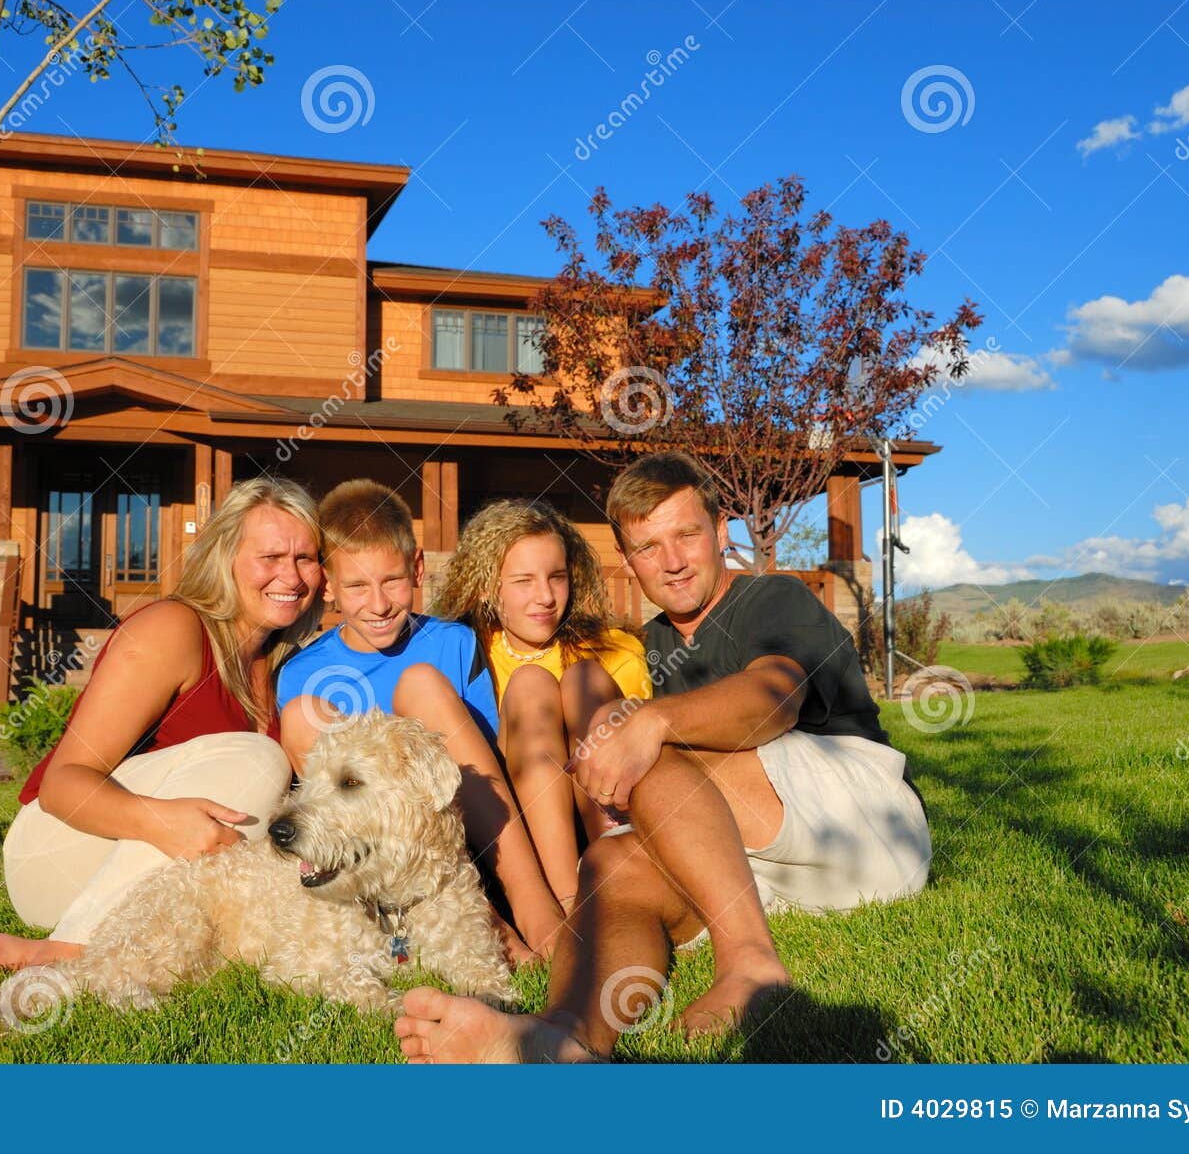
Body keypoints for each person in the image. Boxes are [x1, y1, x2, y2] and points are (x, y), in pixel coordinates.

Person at [394, 451, 933, 1062]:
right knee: (613, 867)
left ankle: (751, 961)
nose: (672, 562)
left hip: (863, 825)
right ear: (627, 560)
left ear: (720, 533)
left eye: (686, 535)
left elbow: (774, 697)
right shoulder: (648, 647)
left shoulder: (771, 600)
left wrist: (650, 721)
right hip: (757, 863)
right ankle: (563, 1038)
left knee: (646, 748)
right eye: (649, 547)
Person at [0, 477, 324, 974]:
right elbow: (63, 785)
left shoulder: (283, 669)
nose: (292, 576)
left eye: (306, 558)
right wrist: (160, 821)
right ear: (224, 558)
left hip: (161, 873)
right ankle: (69, 950)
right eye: (271, 557)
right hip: (60, 851)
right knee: (258, 760)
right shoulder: (174, 629)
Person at [277, 479, 566, 960]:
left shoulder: (454, 644)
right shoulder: (304, 673)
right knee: (301, 715)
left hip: (472, 836)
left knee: (421, 681)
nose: (378, 603)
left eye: (391, 580)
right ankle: (493, 925)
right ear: (328, 587)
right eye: (356, 586)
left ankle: (533, 905)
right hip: (383, 864)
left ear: (416, 569)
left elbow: (484, 766)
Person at [431, 499, 651, 913]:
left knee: (584, 677)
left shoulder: (616, 650)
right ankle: (570, 905)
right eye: (523, 581)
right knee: (530, 684)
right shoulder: (465, 652)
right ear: (486, 588)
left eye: (557, 577)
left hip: (604, 808)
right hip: (515, 832)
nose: (546, 596)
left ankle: (621, 875)